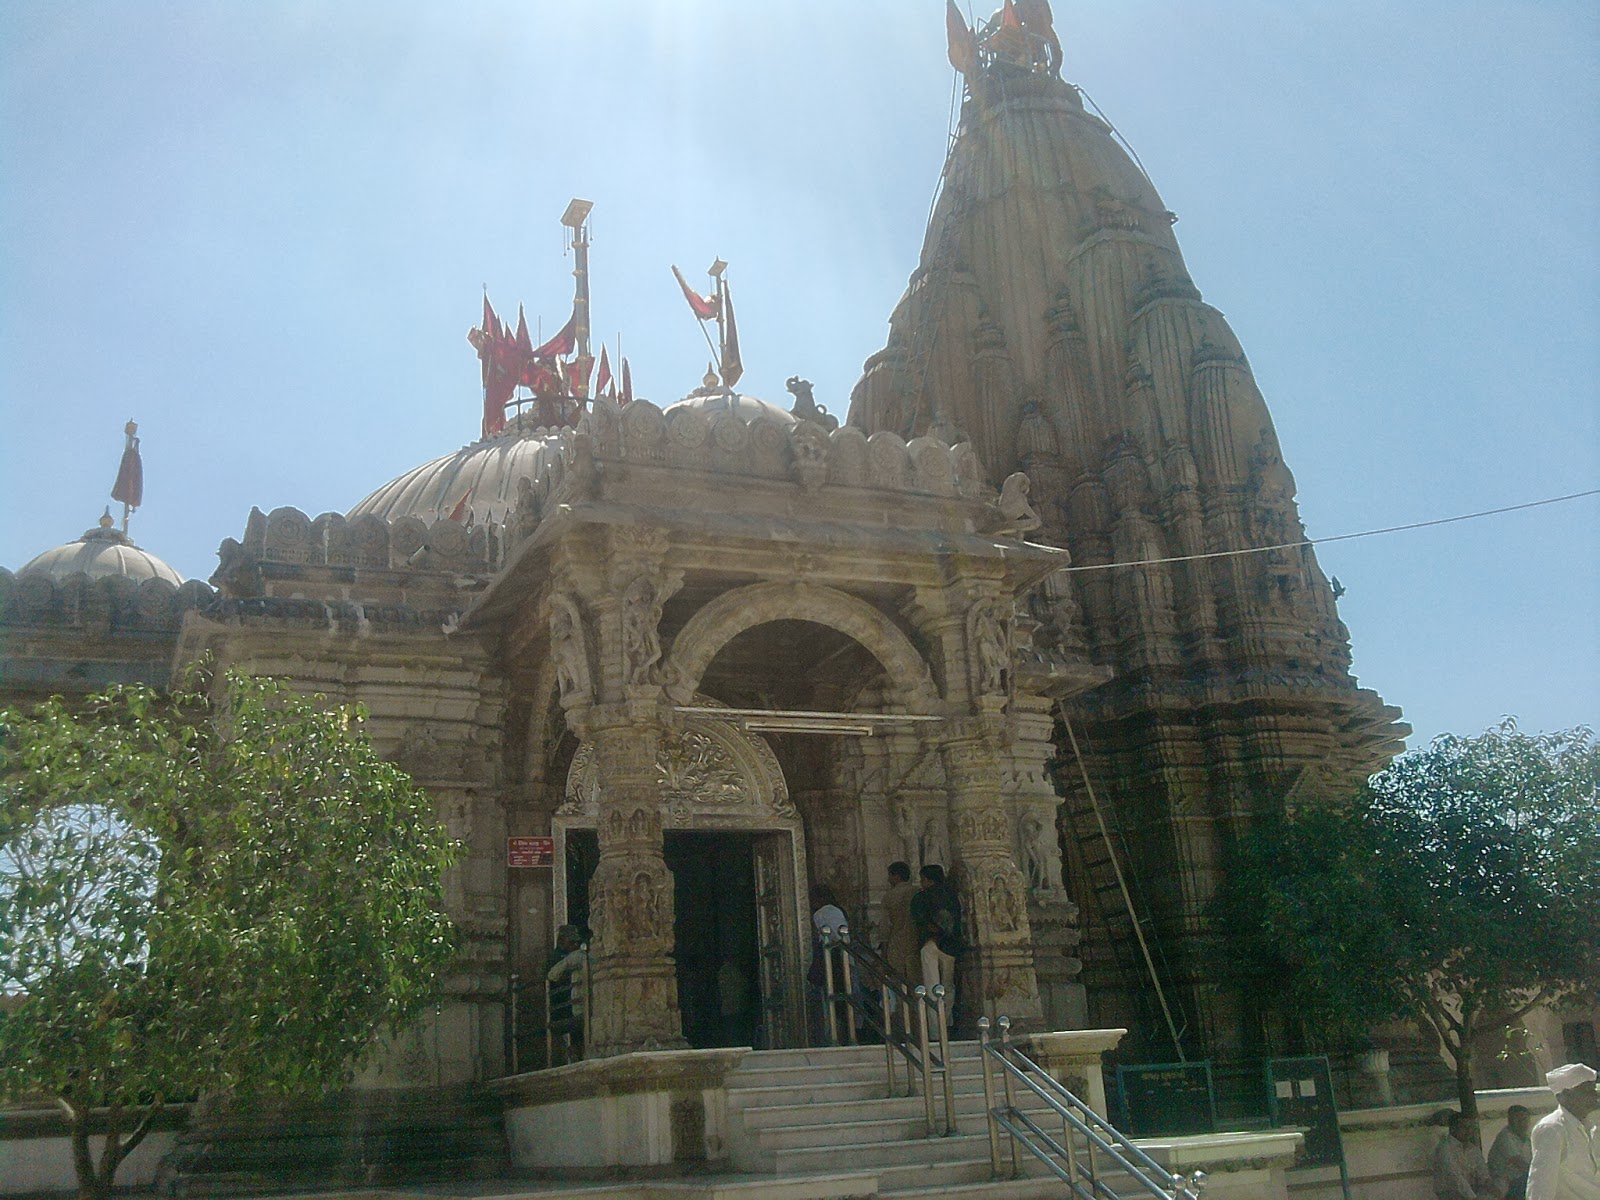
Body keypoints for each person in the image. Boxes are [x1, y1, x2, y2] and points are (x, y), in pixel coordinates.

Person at [1528, 1062, 1600, 1200]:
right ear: (1564, 1096)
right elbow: (1541, 1184)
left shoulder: (1591, 1128)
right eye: (1587, 1091)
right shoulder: (1552, 1129)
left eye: (1594, 1090)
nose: (1594, 1095)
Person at [909, 863, 962, 1030]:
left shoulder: (921, 897)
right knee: (948, 987)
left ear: (926, 879)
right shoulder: (953, 896)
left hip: (930, 945)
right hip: (951, 946)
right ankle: (948, 1024)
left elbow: (918, 920)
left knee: (931, 987)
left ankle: (934, 1030)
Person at [808, 884, 847, 1044]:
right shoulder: (839, 910)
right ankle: (844, 1033)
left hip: (829, 956)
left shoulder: (820, 913)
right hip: (842, 955)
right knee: (843, 995)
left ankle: (830, 1034)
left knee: (828, 994)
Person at [545, 924, 587, 1062]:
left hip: (574, 1003)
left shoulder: (575, 956)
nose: (574, 944)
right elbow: (552, 975)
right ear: (562, 940)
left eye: (576, 942)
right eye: (572, 941)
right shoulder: (562, 956)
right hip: (565, 1002)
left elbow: (552, 975)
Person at [1433, 1110, 1493, 1200]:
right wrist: (1472, 1197)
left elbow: (1483, 1173)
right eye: (1464, 1127)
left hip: (1471, 1192)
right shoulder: (1444, 1148)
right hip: (1450, 1194)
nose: (1469, 1131)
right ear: (1453, 1129)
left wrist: (1492, 1187)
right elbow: (1455, 1177)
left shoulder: (1473, 1149)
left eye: (1470, 1127)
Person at [1489, 1105, 1534, 1200]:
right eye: (1518, 1119)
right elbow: (1519, 1163)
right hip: (1504, 1182)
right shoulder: (1505, 1137)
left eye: (1524, 1119)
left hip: (1520, 1179)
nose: (1522, 1123)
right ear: (1510, 1120)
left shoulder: (1528, 1138)